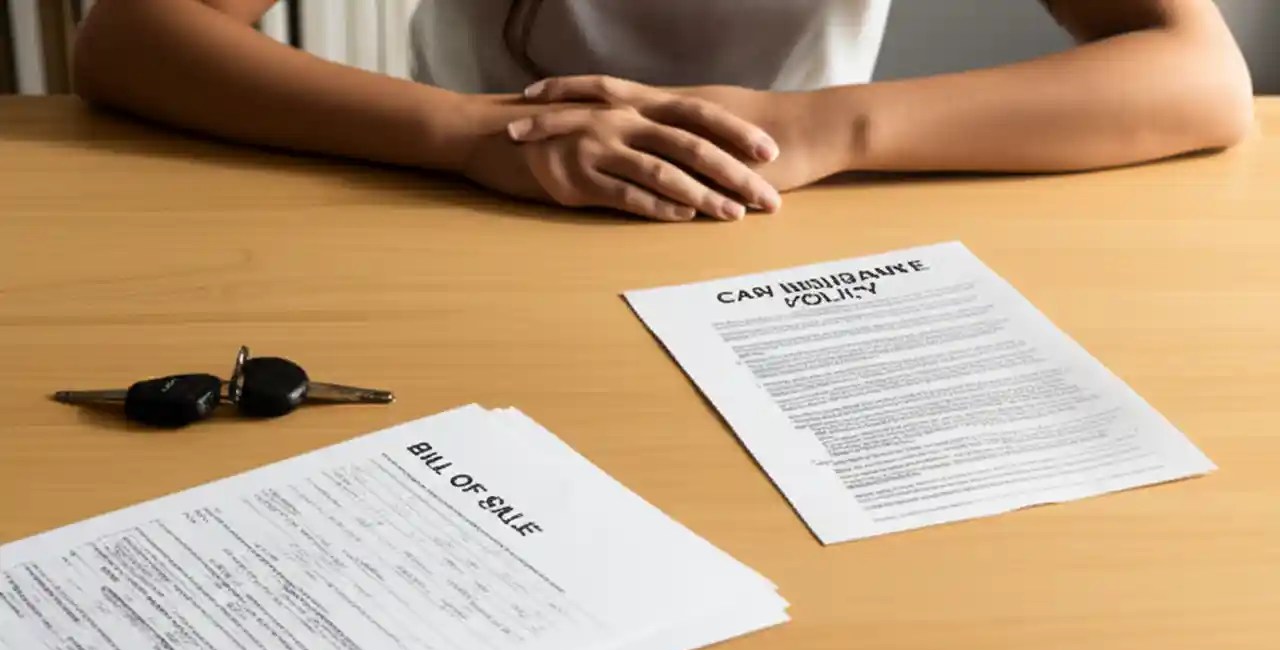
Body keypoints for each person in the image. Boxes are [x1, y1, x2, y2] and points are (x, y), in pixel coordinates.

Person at [73, 0, 1254, 222]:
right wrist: (468, 132)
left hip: (782, 219)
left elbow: (1195, 73)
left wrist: (819, 130)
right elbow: (128, 33)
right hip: (448, 205)